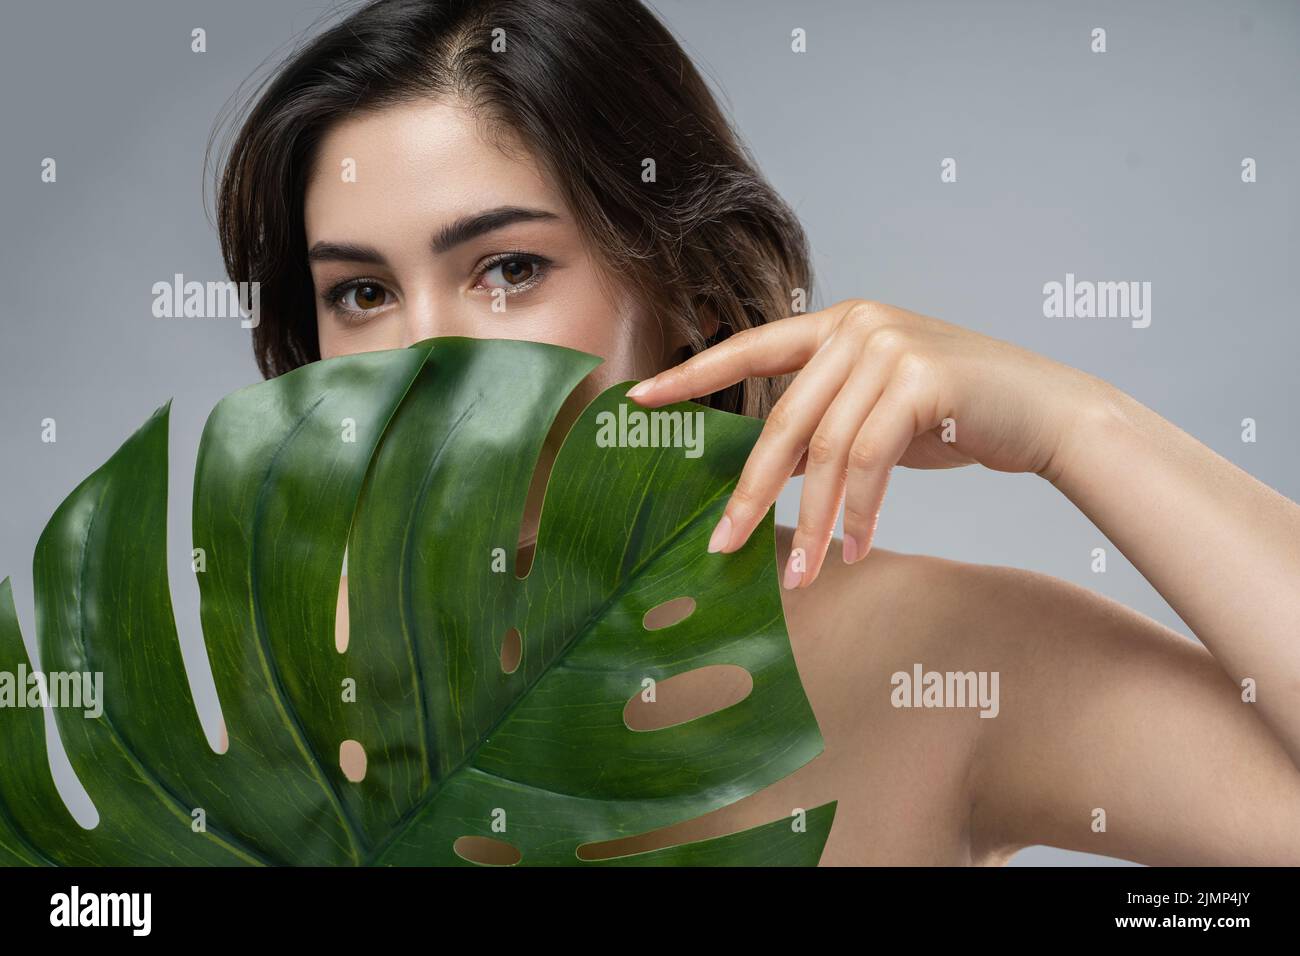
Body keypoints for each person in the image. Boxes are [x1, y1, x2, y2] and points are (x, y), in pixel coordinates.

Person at [212, 0, 1300, 865]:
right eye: (360, 292)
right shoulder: (279, 677)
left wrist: (1077, 424)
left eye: (508, 270)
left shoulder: (930, 657)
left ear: (685, 288)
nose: (426, 362)